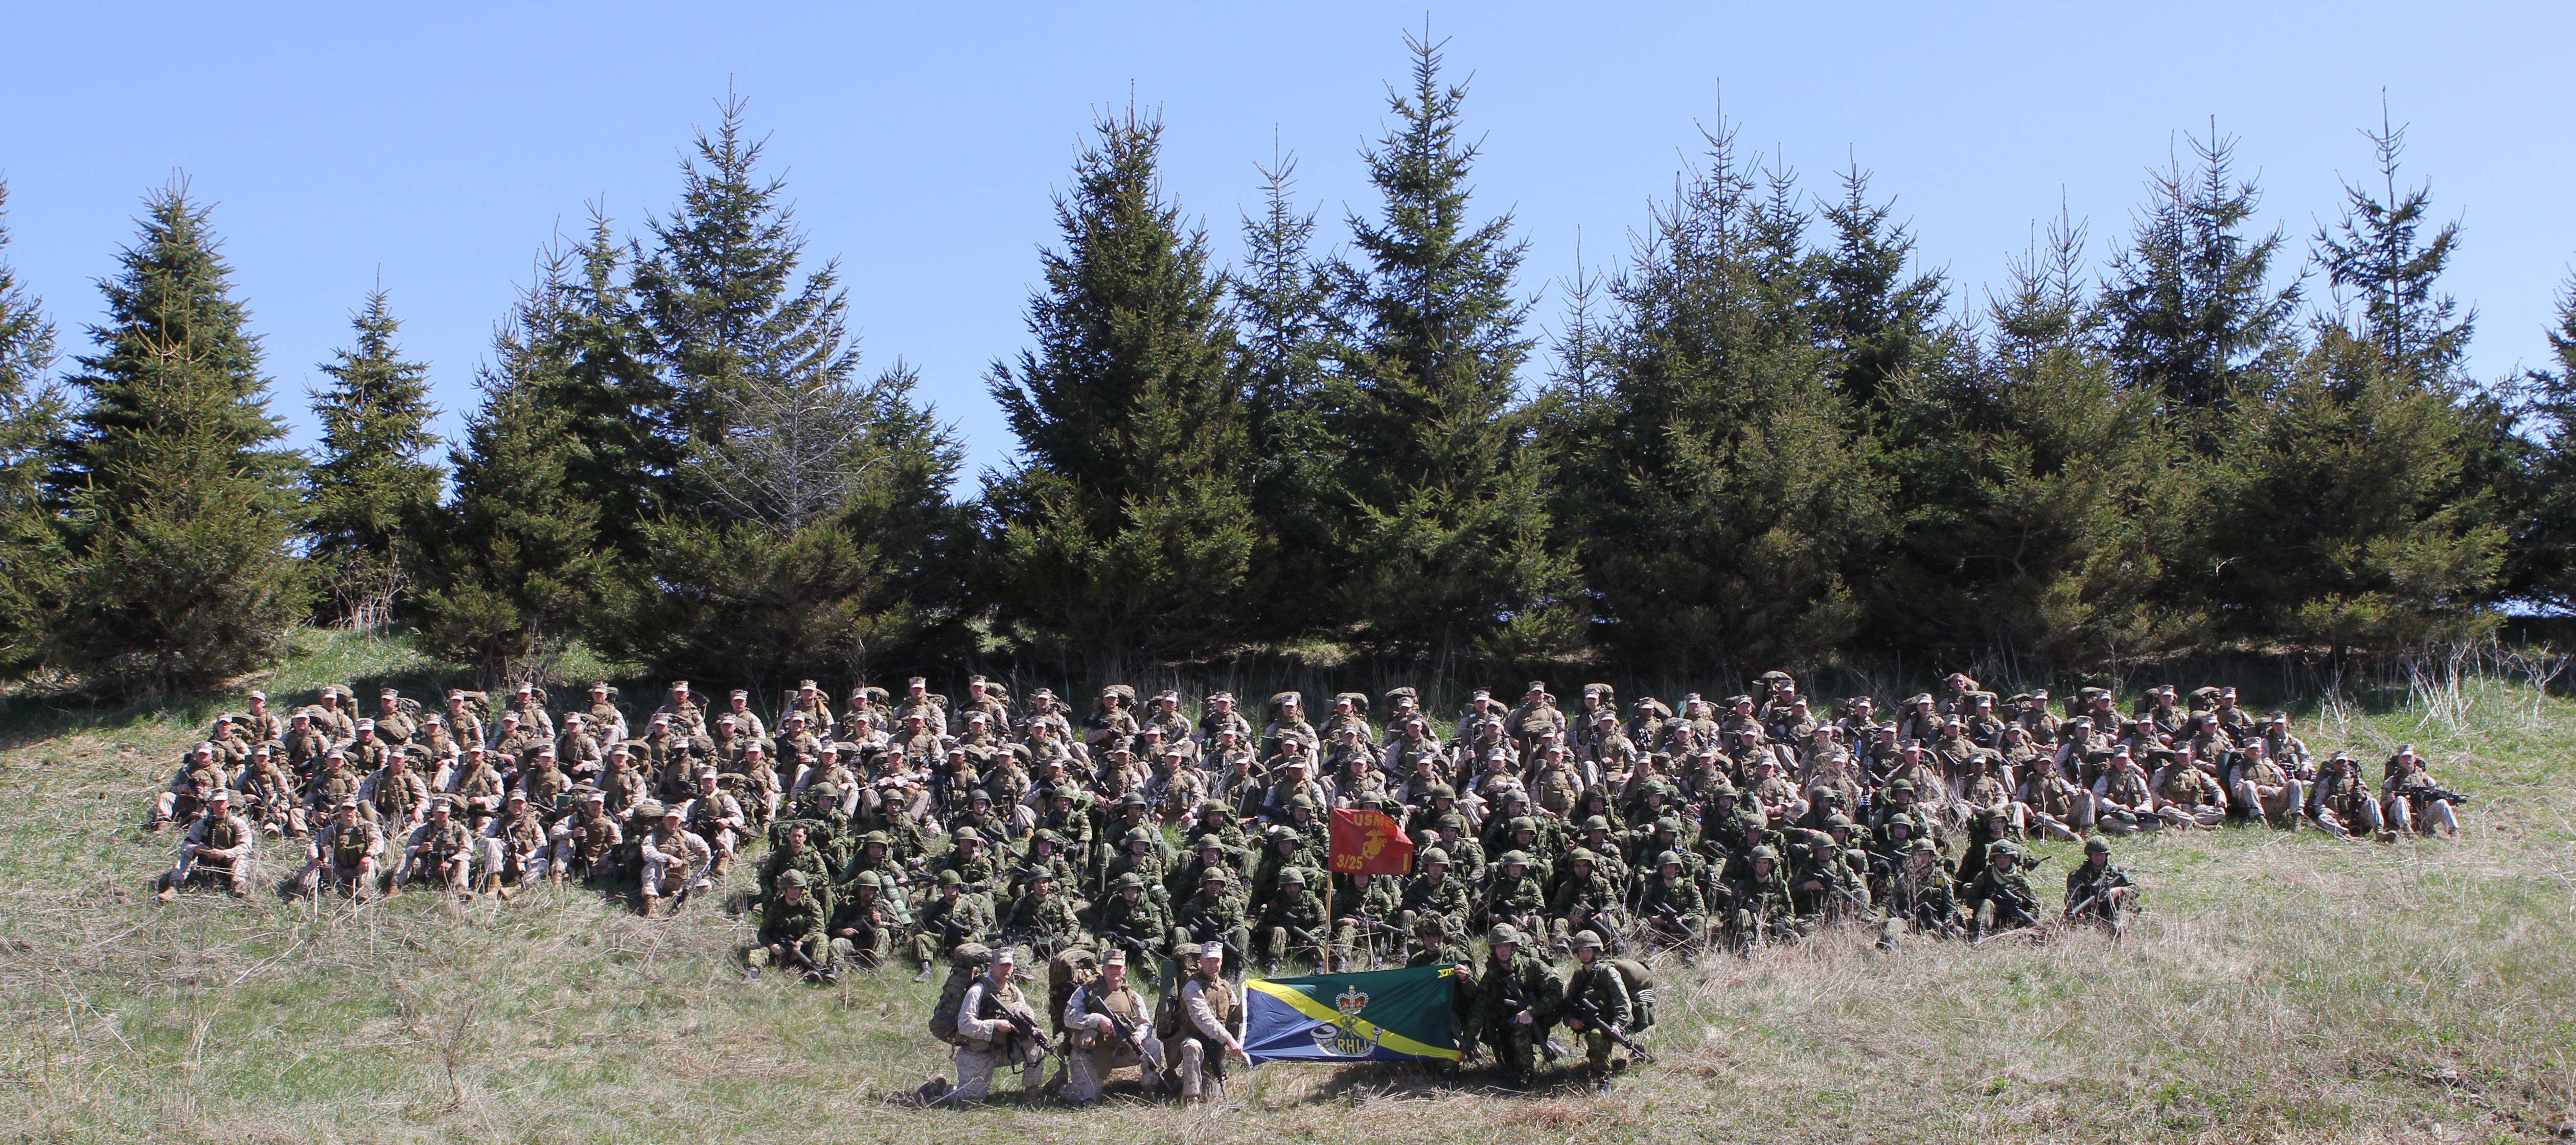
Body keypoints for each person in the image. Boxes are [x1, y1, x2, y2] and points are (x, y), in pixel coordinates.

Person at [1061, 949, 1164, 1105]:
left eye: (1118, 967)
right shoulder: (1086, 991)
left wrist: (1138, 1036)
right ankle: (1061, 1087)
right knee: (1088, 1101)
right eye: (1110, 967)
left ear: (1125, 969)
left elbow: (1146, 1024)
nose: (1114, 970)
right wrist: (1096, 1019)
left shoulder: (1132, 996)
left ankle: (1150, 1092)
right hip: (1090, 1053)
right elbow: (1069, 1018)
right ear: (1103, 968)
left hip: (1123, 1051)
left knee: (1152, 1045)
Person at [946, 945, 1045, 1105]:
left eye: (1010, 965)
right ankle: (941, 1088)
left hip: (1003, 1049)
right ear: (991, 966)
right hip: (978, 1053)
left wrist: (1030, 1031)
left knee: (1036, 1044)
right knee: (971, 1099)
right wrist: (995, 1025)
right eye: (1002, 965)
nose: (1007, 969)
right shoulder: (978, 990)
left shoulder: (1014, 991)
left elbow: (1023, 1017)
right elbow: (965, 1025)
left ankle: (1032, 1094)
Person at [1477, 923, 1565, 1088]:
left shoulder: (1533, 966)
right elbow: (1479, 1007)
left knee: (1521, 1030)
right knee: (1510, 1060)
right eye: (1499, 947)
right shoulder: (1492, 974)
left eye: (1506, 946)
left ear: (1515, 947)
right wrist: (1468, 1043)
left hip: (1537, 1020)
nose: (1503, 950)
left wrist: (1532, 1012)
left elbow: (1557, 992)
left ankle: (1527, 1077)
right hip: (1507, 1024)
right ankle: (1542, 1053)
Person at [1559, 930, 1633, 1092]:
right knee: (1595, 1038)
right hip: (1589, 1022)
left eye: (1588, 950)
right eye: (1581, 951)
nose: (1585, 954)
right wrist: (1570, 1020)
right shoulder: (1579, 974)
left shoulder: (1608, 972)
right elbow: (1568, 1003)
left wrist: (1618, 1025)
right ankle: (1608, 1065)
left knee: (1596, 1037)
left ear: (1595, 951)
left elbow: (1623, 1003)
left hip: (1610, 1023)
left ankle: (1603, 1080)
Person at [1175, 943, 1248, 1104]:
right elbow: (1203, 1019)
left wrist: (1248, 1000)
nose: (1213, 965)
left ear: (1222, 961)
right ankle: (1191, 1099)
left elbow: (1234, 1015)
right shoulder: (1193, 986)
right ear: (1201, 961)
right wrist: (1229, 1040)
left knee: (1211, 1098)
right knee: (1192, 1046)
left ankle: (1185, 1083)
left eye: (1216, 961)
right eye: (1209, 961)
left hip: (1215, 1046)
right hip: (1194, 1039)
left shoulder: (1224, 986)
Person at [160, 789, 256, 900]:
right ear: (211, 804)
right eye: (216, 802)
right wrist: (197, 849)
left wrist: (224, 853)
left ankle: (239, 888)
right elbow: (186, 846)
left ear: (228, 803)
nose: (220, 805)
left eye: (223, 802)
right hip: (207, 860)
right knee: (186, 856)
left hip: (228, 861)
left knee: (242, 859)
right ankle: (174, 887)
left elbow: (245, 847)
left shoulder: (237, 823)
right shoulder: (202, 824)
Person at [752, 871, 834, 982]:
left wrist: (801, 942)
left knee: (822, 938)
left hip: (805, 948)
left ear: (801, 889)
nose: (793, 891)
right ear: (785, 889)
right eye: (790, 888)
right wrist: (772, 945)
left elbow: (819, 928)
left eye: (796, 888)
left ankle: (817, 968)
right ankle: (753, 972)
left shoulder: (811, 905)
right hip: (781, 949)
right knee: (759, 951)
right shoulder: (777, 906)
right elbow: (763, 932)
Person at [301, 798, 384, 900]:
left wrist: (368, 855)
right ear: (340, 810)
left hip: (361, 869)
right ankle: (303, 893)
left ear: (356, 810)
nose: (348, 812)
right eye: (345, 808)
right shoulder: (333, 830)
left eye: (351, 809)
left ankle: (364, 895)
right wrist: (315, 858)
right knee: (314, 863)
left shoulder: (368, 827)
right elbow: (314, 843)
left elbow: (378, 842)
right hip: (340, 870)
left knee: (370, 862)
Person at [2063, 837, 2138, 928]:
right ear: (2089, 855)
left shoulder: (2117, 870)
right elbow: (2071, 899)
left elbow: (2135, 889)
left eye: (2101, 855)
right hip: (2089, 913)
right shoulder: (2078, 874)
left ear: (2107, 855)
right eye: (2095, 855)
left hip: (2115, 910)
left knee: (2119, 928)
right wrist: (2079, 914)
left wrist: (2120, 890)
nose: (2098, 858)